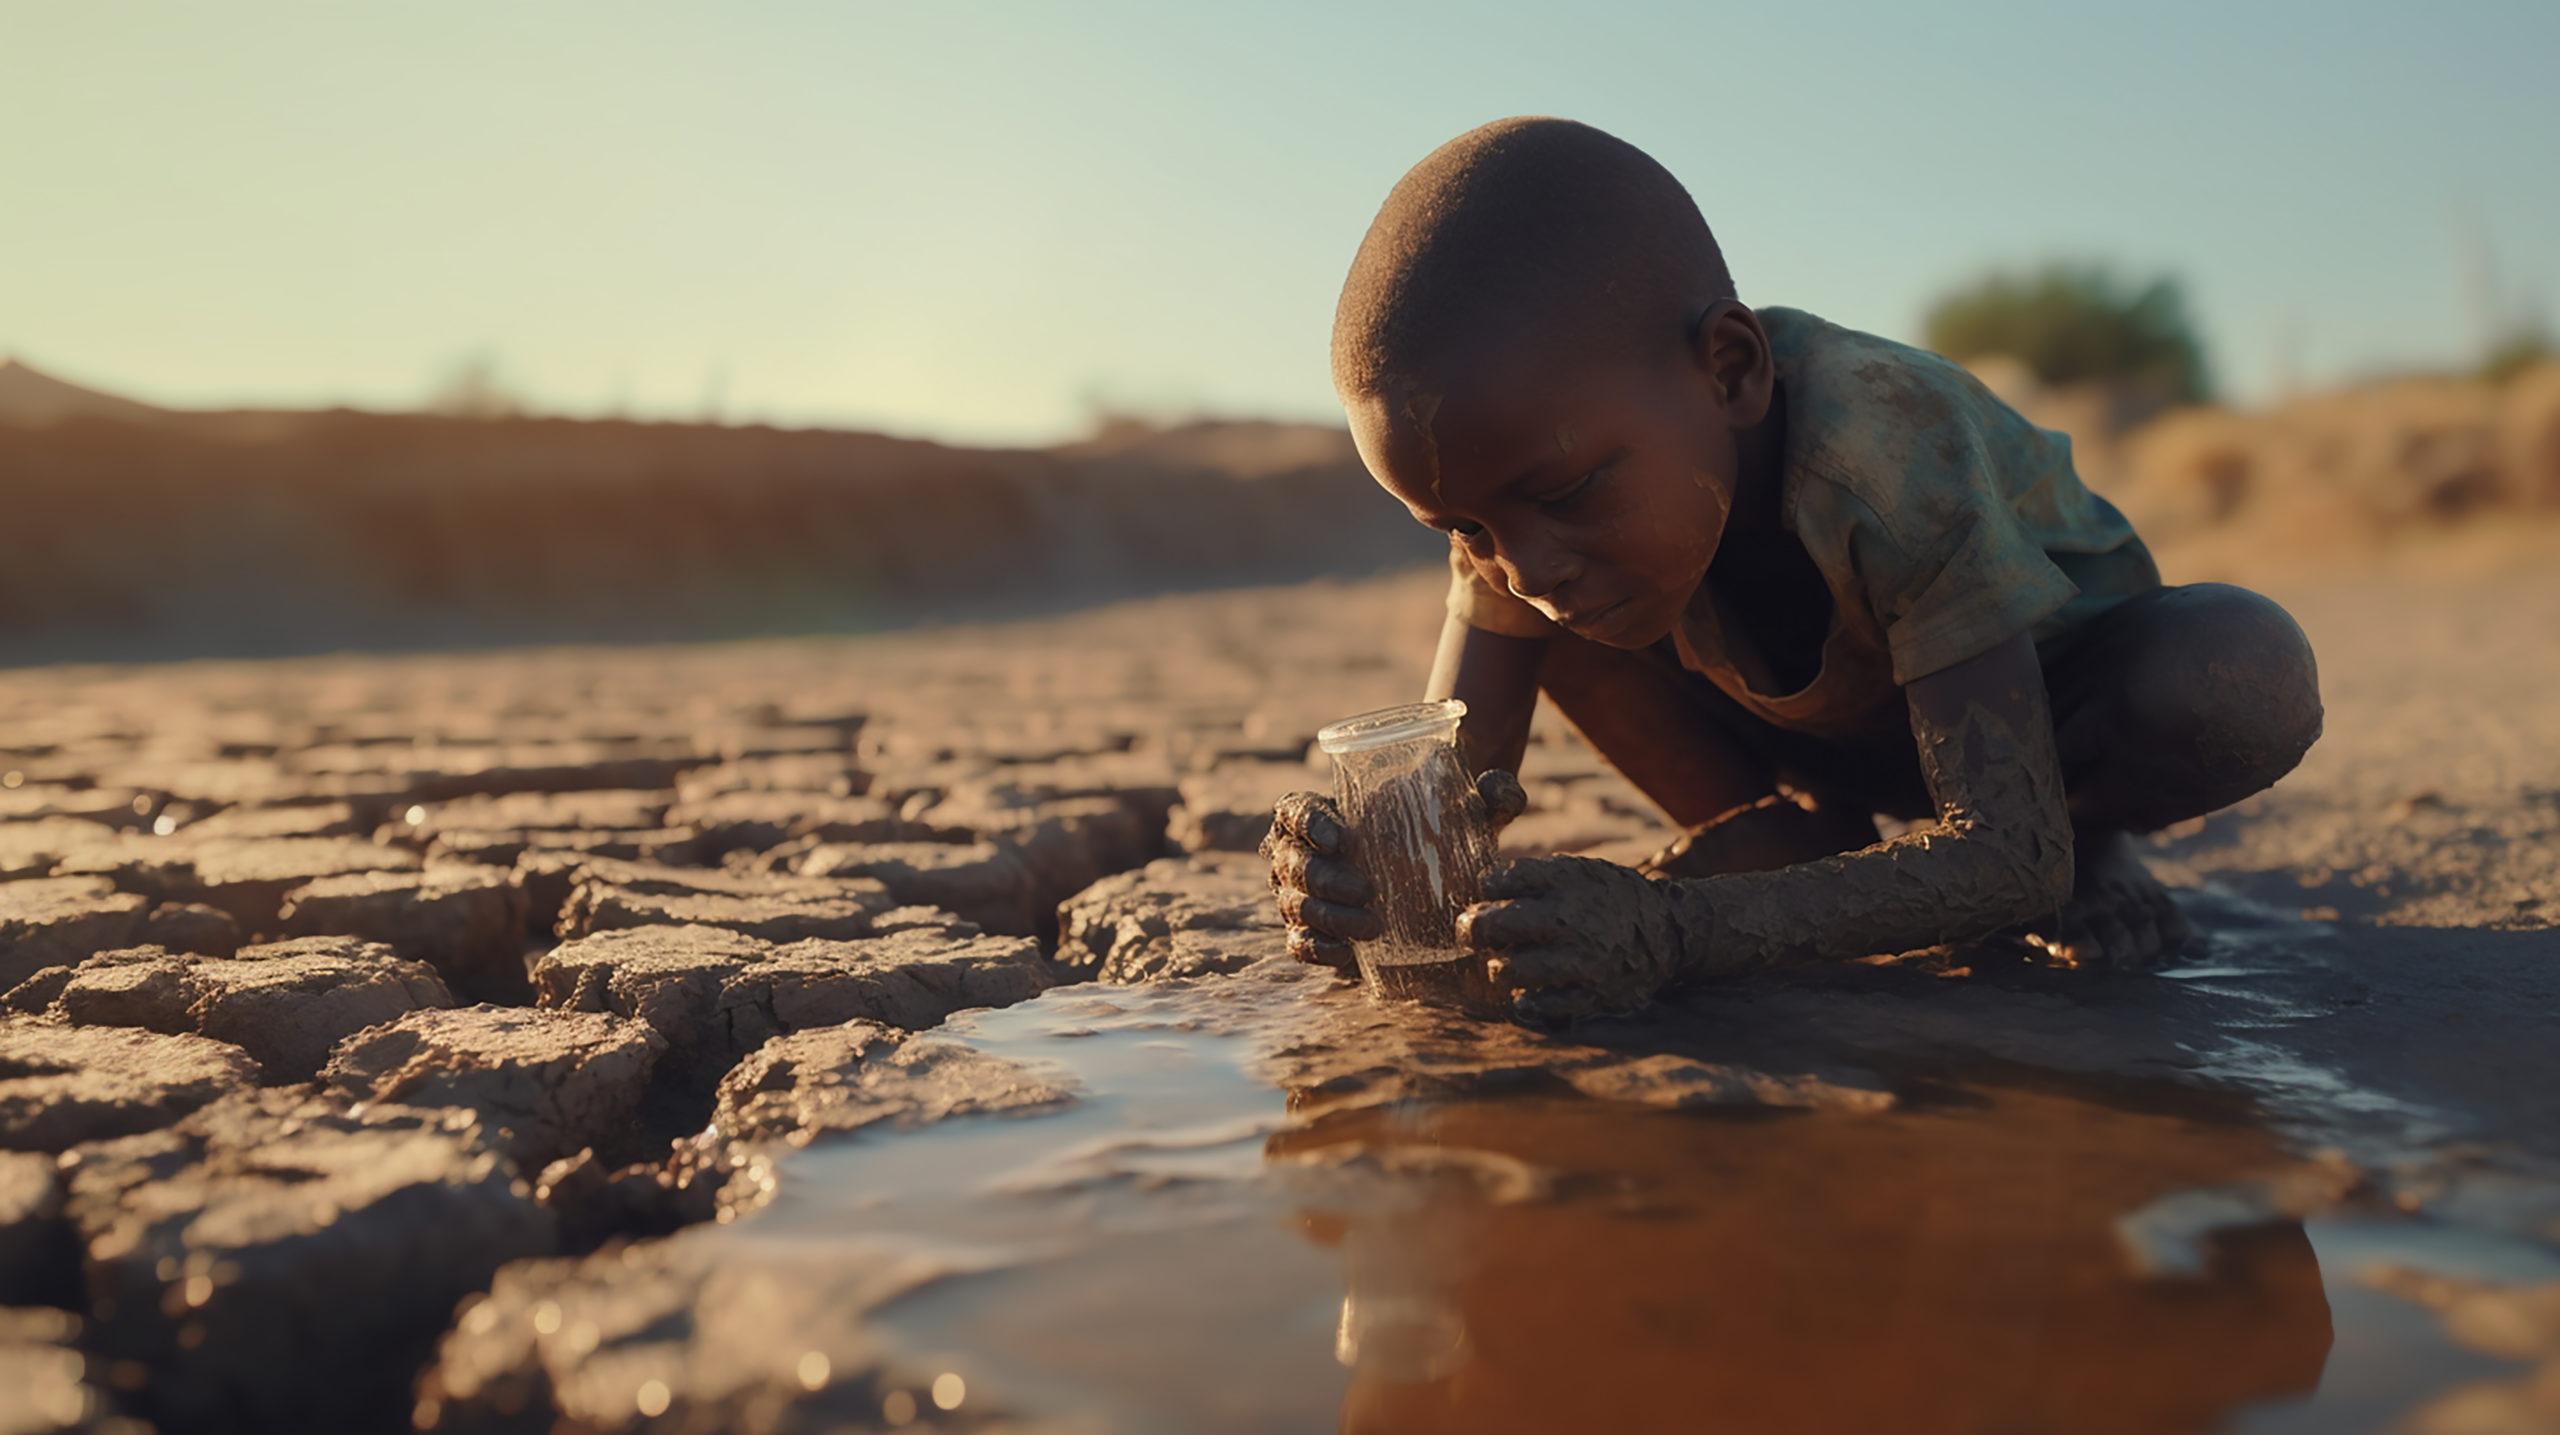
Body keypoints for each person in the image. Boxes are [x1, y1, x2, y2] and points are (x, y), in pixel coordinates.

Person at [1264, 117, 2323, 1023]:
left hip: (2033, 725)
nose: (1525, 566)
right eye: (1462, 528)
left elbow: (2008, 855)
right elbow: (1436, 806)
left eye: (1569, 493)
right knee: (1549, 616)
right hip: (1829, 739)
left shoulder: (1890, 452)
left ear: (1727, 370)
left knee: (2236, 671)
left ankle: (2094, 845)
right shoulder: (1522, 496)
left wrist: (1673, 931)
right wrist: (1355, 872)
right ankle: (1786, 837)